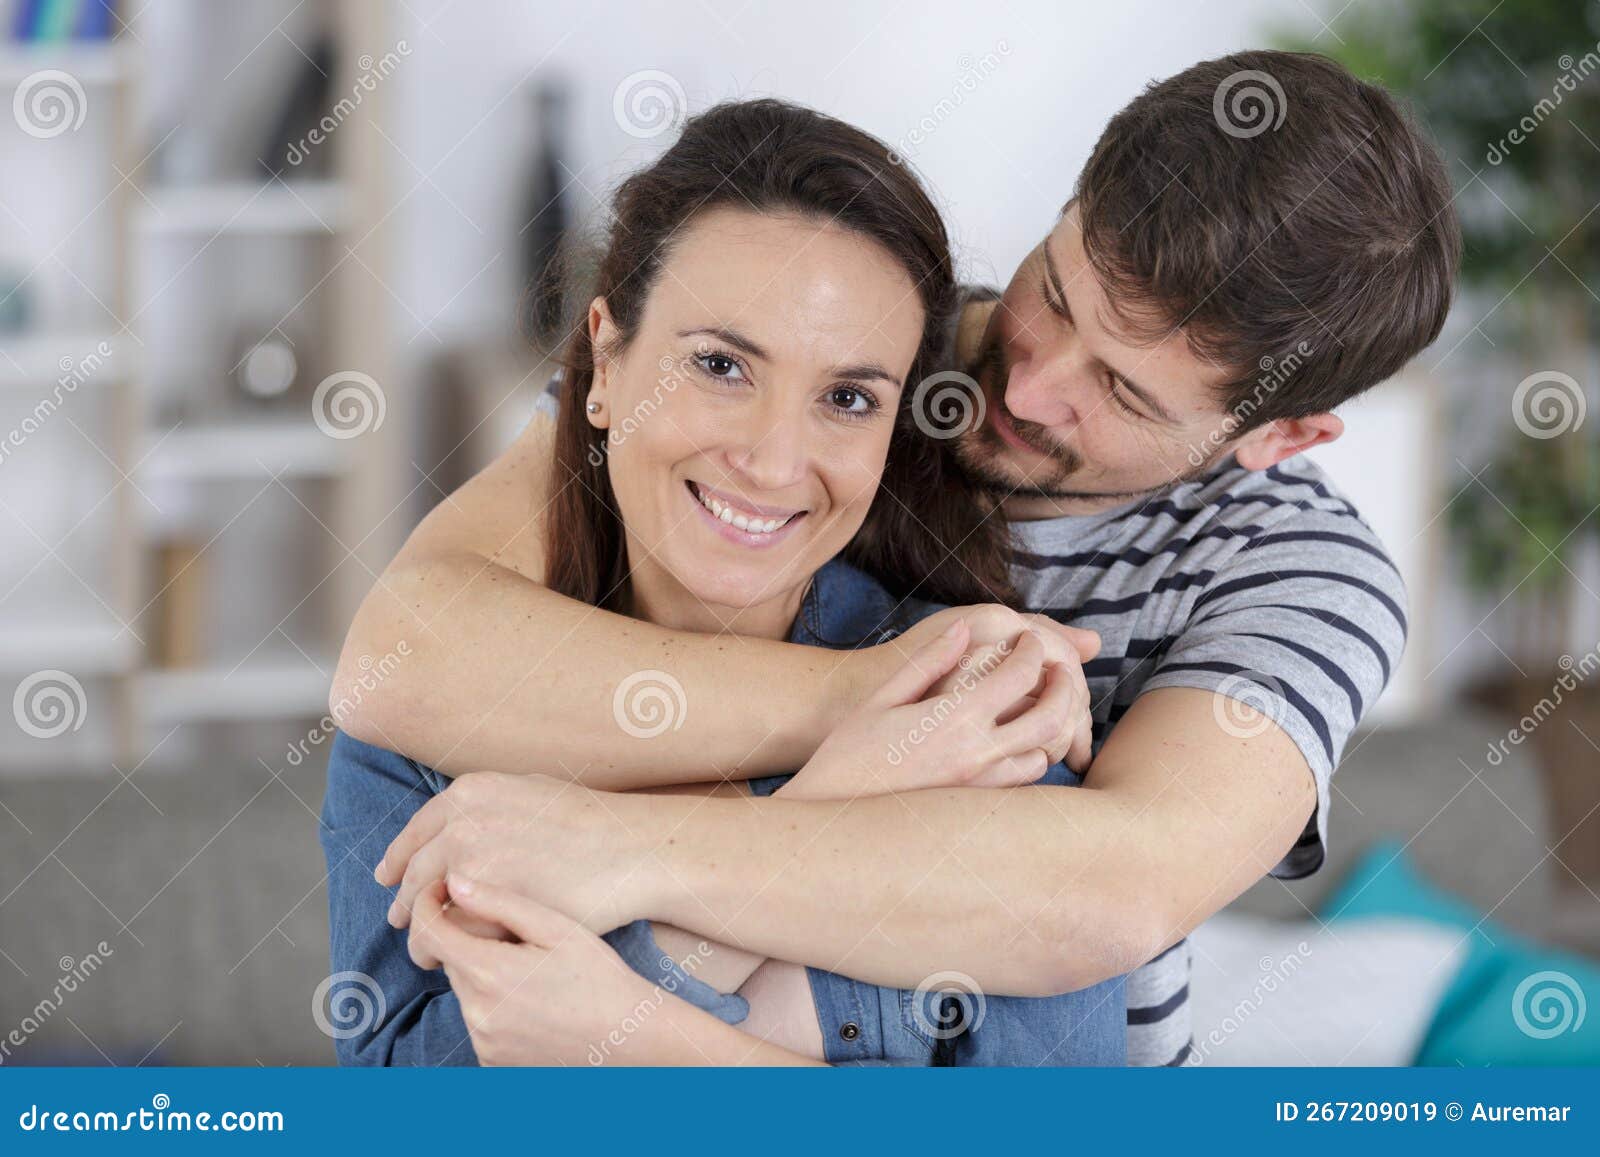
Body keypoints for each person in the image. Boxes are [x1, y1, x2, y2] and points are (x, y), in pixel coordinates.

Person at [348, 50, 1461, 1066]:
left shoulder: (1302, 577)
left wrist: (626, 851)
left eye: (1120, 390)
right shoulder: (846, 329)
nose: (1024, 385)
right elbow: (404, 656)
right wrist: (878, 703)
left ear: (1278, 434)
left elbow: (1104, 897)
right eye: (1055, 293)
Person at [321, 97, 1126, 1066]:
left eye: (846, 397)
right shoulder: (450, 709)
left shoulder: (982, 717)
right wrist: (831, 793)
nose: (776, 459)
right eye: (720, 364)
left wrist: (635, 1029)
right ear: (606, 364)